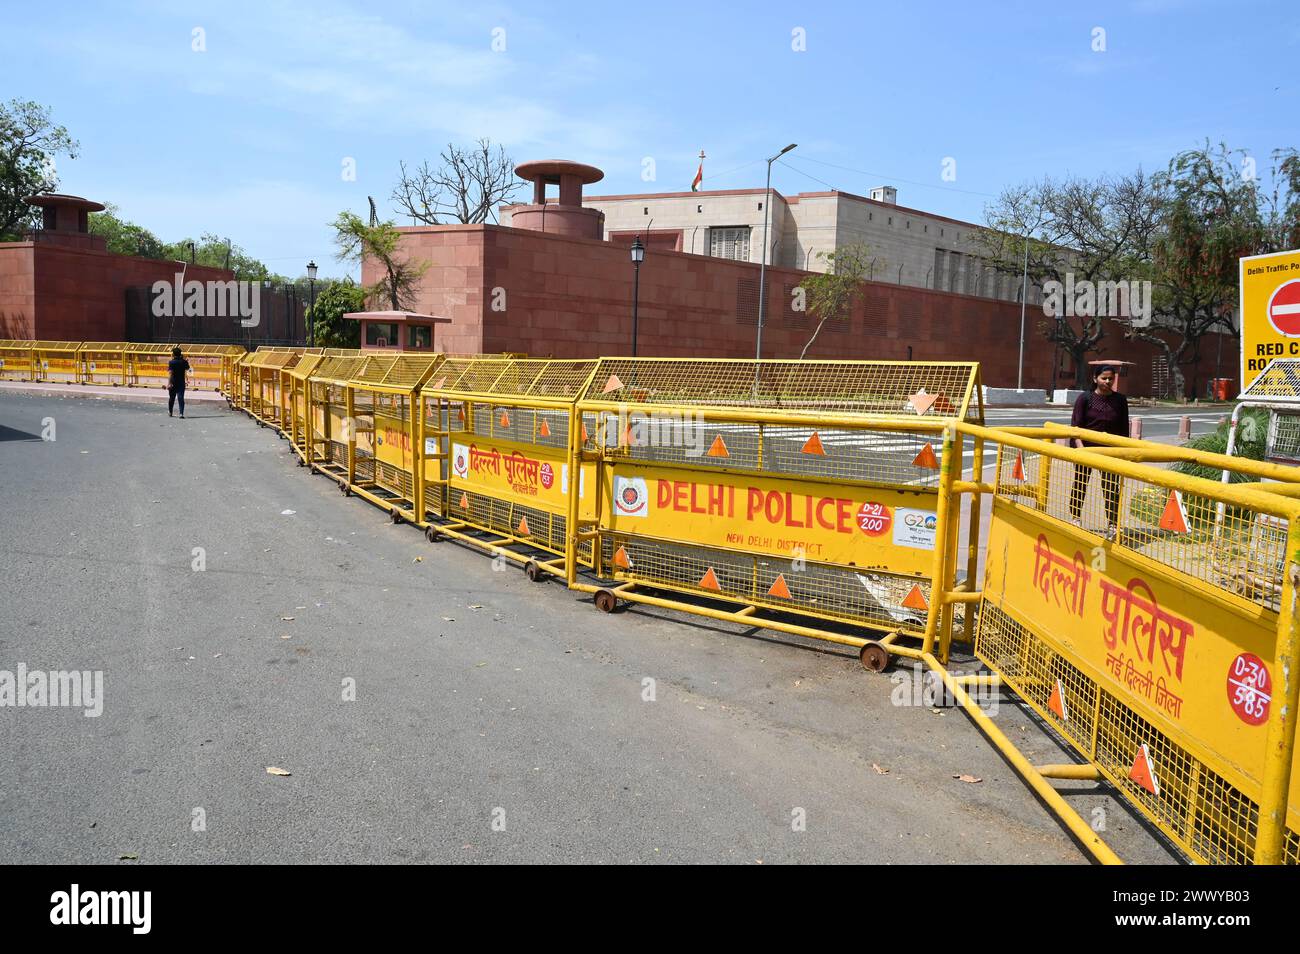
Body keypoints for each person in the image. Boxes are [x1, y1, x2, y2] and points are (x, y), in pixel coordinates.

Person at [1068, 365, 1128, 539]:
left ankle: (1112, 524)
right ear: (1095, 378)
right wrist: (1081, 450)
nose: (1108, 381)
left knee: (1111, 488)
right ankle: (1075, 517)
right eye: (1104, 378)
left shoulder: (1120, 400)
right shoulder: (1085, 399)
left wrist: (1124, 452)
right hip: (1085, 449)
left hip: (1110, 452)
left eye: (1111, 378)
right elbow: (1076, 426)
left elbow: (1124, 429)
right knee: (1080, 483)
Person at [167, 346, 191, 418]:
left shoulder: (171, 362)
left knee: (172, 398)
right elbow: (187, 368)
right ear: (180, 354)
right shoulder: (184, 362)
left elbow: (170, 373)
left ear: (173, 354)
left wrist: (169, 383)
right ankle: (181, 413)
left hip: (173, 381)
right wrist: (183, 359)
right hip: (181, 382)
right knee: (181, 398)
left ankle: (170, 412)